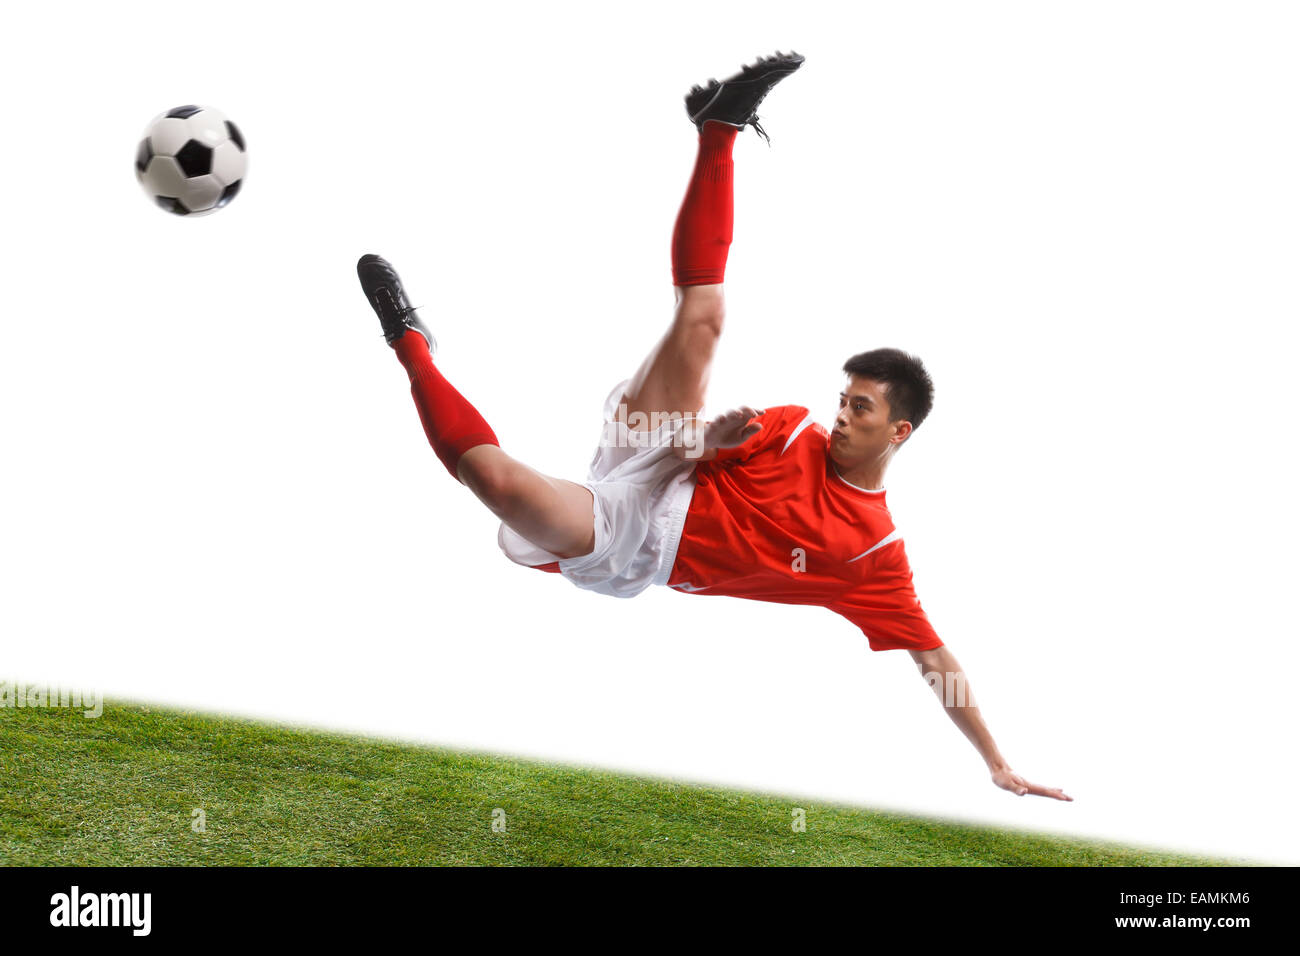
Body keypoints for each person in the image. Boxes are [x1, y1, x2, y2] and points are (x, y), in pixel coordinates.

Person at [357, 52, 1071, 801]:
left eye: (860, 408)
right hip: (669, 451)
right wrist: (713, 440)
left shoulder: (874, 557)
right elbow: (691, 448)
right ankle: (720, 127)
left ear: (899, 433)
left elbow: (936, 662)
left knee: (496, 481)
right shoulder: (793, 430)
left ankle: (408, 343)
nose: (839, 413)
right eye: (843, 397)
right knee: (704, 319)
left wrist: (995, 759)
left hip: (639, 536)